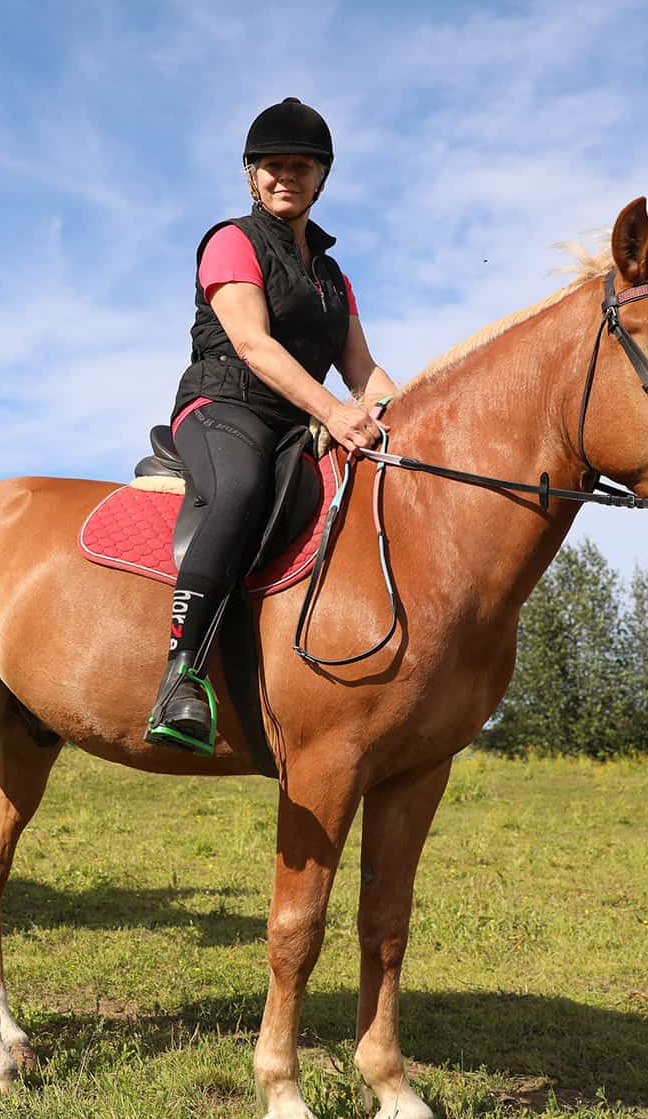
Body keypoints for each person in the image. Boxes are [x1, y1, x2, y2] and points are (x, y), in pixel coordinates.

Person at [146, 98, 401, 755]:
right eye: (272, 166)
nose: (285, 176)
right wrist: (337, 413)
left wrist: (409, 420)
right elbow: (255, 347)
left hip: (298, 421)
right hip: (225, 408)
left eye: (301, 166)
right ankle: (182, 674)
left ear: (322, 178)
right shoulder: (231, 241)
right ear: (252, 176)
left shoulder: (332, 277)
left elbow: (364, 369)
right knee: (240, 490)